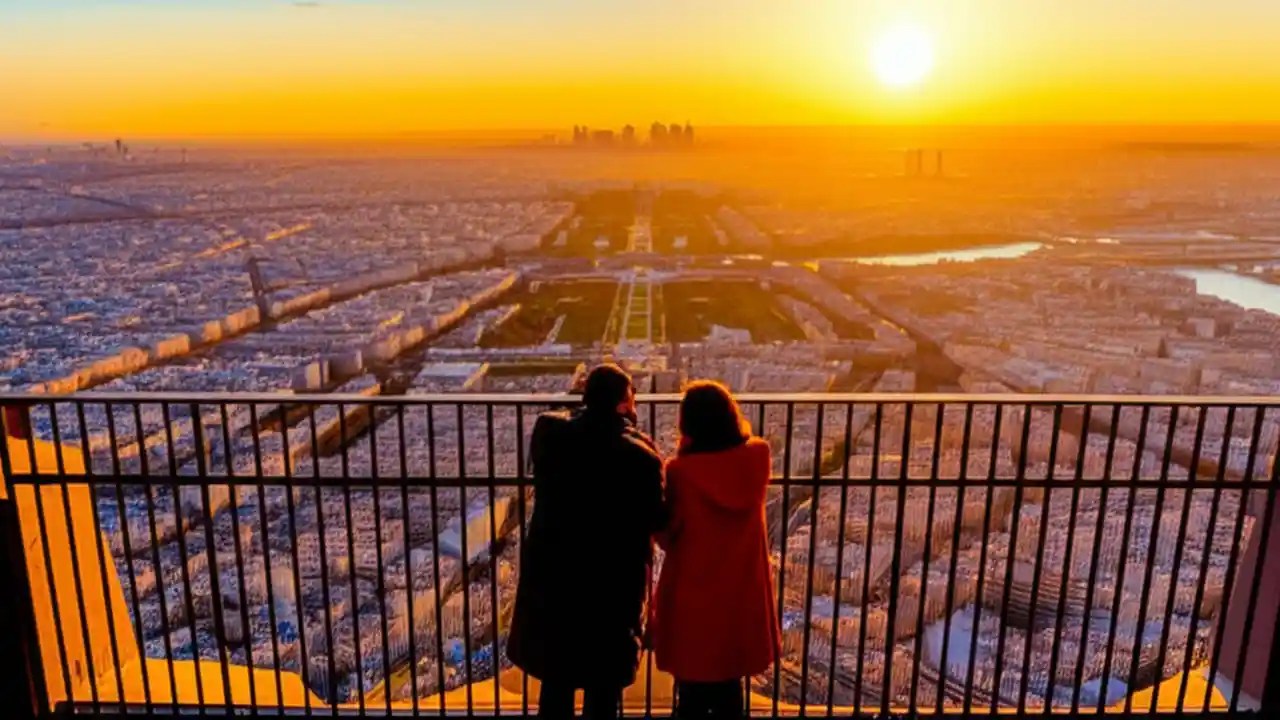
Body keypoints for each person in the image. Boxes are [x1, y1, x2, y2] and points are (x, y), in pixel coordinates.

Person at [507, 364, 666, 719]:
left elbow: (563, 423)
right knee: (603, 689)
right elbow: (657, 519)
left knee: (556, 681)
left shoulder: (550, 435)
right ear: (625, 405)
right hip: (611, 586)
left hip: (556, 579)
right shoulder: (641, 458)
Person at [652, 380, 780, 719]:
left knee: (691, 698)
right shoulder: (757, 457)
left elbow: (668, 534)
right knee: (730, 693)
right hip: (740, 594)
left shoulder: (681, 471)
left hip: (694, 595)